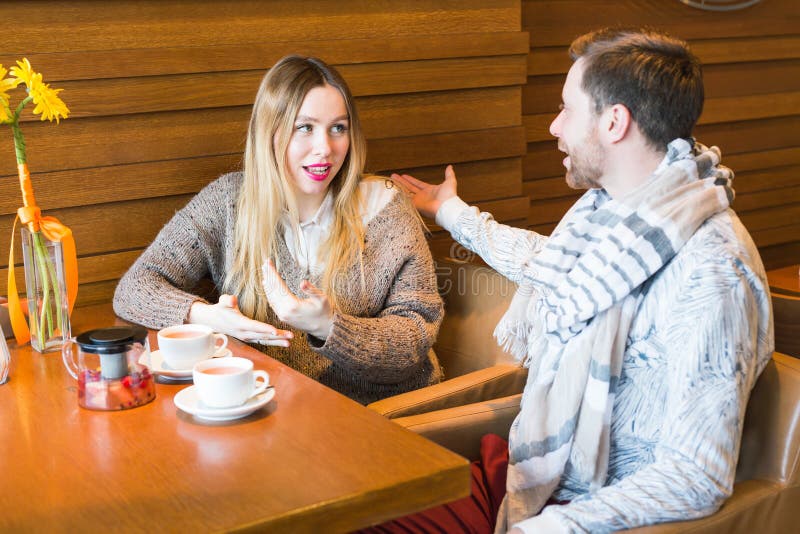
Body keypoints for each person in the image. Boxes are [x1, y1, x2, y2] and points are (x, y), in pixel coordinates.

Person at [387, 27, 774, 533]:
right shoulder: (623, 215)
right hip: (540, 479)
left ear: (614, 122)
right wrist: (451, 212)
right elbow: (548, 265)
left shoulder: (714, 271)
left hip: (587, 510)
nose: (554, 126)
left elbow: (695, 475)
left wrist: (543, 529)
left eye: (567, 109)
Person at [113, 55, 443, 405]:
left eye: (338, 128)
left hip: (383, 418)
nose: (325, 149)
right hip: (273, 416)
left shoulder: (385, 208)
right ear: (270, 131)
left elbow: (415, 338)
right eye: (305, 127)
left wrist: (329, 326)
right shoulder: (229, 202)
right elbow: (135, 288)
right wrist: (212, 318)